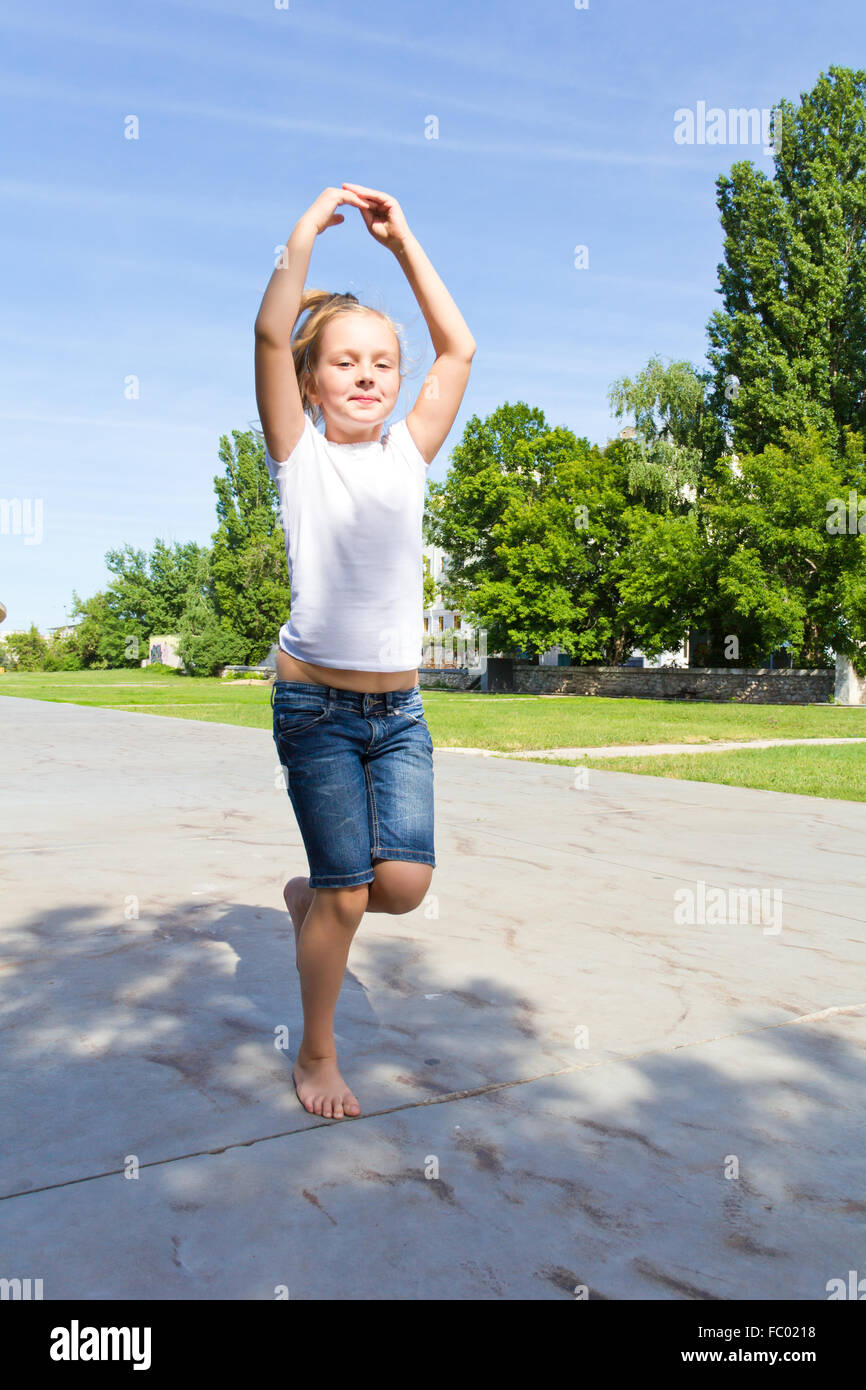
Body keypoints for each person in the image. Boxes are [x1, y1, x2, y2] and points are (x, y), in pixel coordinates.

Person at [254, 183, 476, 1120]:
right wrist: (301, 239)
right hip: (317, 710)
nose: (368, 375)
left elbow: (459, 348)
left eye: (383, 363)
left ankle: (312, 899)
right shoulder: (299, 455)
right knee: (351, 893)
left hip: (401, 715)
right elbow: (270, 335)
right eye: (345, 362)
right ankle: (316, 1053)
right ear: (311, 384)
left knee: (407, 885)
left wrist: (403, 243)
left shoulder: (407, 457)